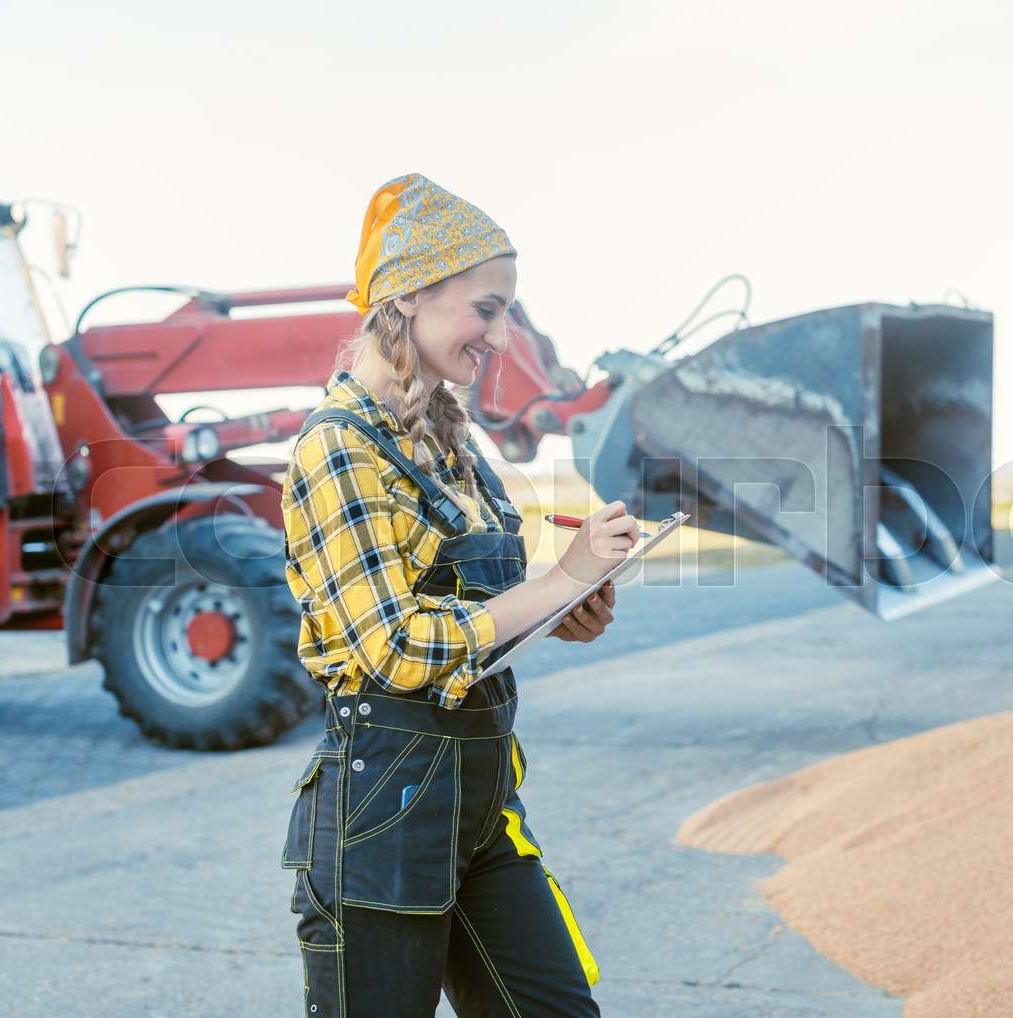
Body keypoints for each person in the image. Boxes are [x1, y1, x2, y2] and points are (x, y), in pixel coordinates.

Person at [279, 174, 635, 1018]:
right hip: (382, 812)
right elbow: (397, 646)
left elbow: (475, 615)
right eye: (488, 308)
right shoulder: (337, 447)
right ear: (408, 297)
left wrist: (560, 611)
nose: (503, 336)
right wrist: (557, 580)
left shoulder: (446, 435)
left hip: (479, 804)